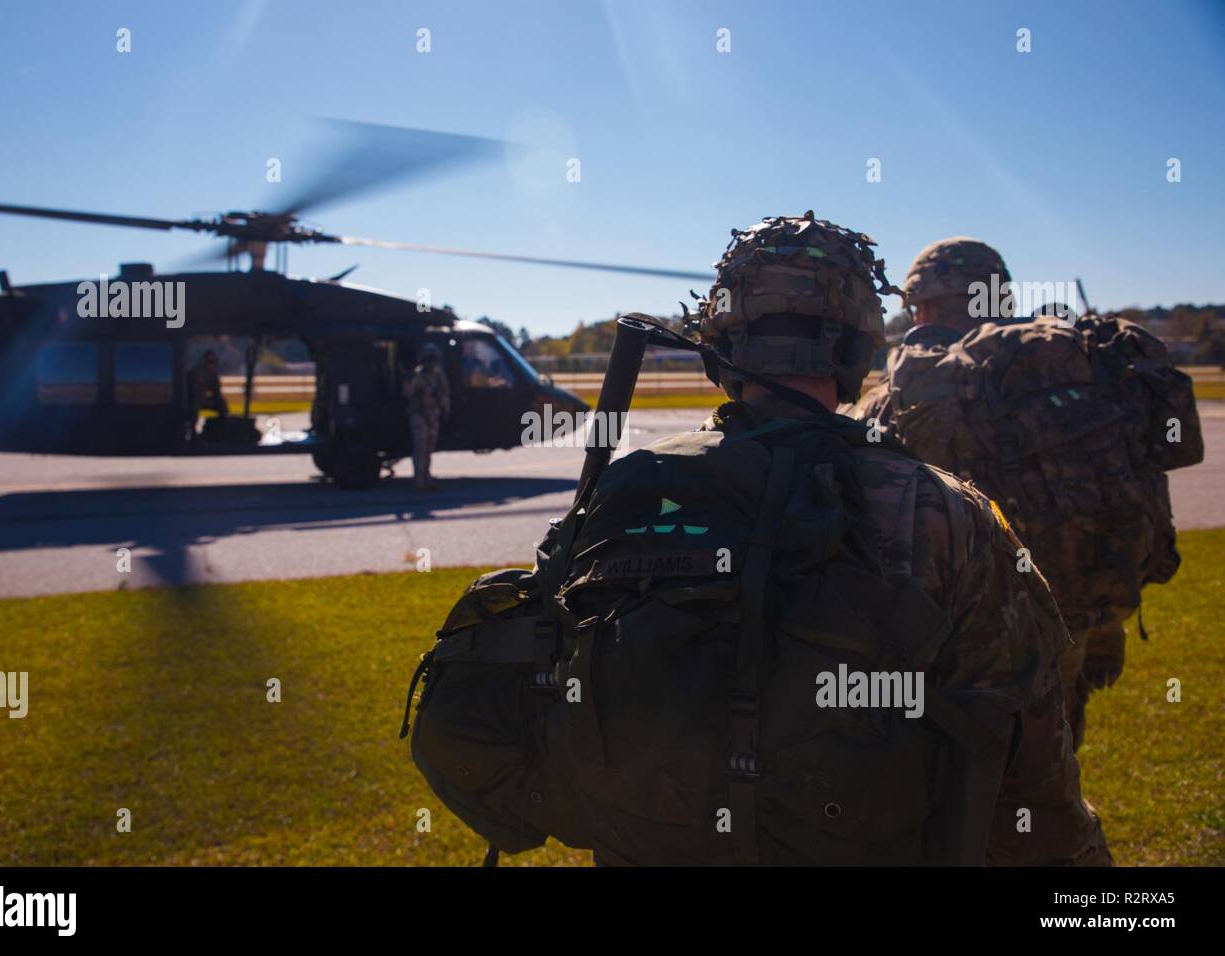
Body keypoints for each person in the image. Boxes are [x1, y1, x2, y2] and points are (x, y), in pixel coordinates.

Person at [408, 213, 1111, 866]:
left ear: (722, 345)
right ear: (858, 346)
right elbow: (1029, 762)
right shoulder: (943, 512)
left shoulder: (630, 489)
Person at [851, 238, 1201, 750]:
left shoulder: (924, 376)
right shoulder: (1076, 354)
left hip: (989, 635)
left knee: (978, 787)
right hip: (1094, 605)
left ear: (922, 303)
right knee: (1055, 760)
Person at [402, 342, 452, 491]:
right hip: (419, 415)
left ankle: (426, 476)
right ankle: (419, 479)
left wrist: (445, 410)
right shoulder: (417, 375)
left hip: (433, 414)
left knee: (429, 448)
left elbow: (444, 394)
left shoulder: (439, 375)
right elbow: (407, 394)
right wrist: (410, 381)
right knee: (420, 447)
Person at [187, 349, 228, 432]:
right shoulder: (196, 372)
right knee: (194, 406)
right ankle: (193, 431)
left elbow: (216, 392)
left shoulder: (213, 374)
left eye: (213, 362)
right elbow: (193, 391)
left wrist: (221, 403)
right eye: (210, 361)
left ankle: (221, 428)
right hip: (191, 399)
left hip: (201, 399)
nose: (211, 365)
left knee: (222, 405)